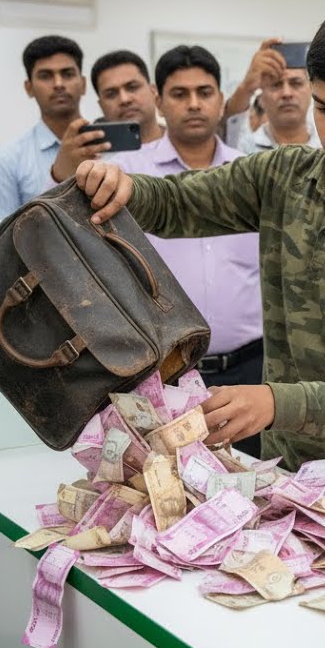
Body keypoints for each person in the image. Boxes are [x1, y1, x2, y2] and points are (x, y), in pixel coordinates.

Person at [73, 0, 325, 522]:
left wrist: (275, 403)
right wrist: (122, 186)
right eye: (324, 109)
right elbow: (176, 202)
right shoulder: (283, 175)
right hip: (286, 480)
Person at [109, 45, 263, 457]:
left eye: (204, 92)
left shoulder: (254, 176)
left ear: (221, 99)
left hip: (251, 374)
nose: (194, 104)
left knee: (257, 486)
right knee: (165, 488)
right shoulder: (128, 175)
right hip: (160, 377)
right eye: (179, 94)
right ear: (158, 102)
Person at [0, 35, 100, 219]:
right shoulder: (3, 162)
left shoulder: (112, 148)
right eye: (45, 76)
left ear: (83, 84)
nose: (58, 84)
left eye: (67, 74)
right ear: (29, 88)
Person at [91, 50, 163, 145]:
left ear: (153, 92)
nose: (124, 99)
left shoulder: (180, 142)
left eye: (132, 87)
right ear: (101, 106)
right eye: (111, 94)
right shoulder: (91, 153)